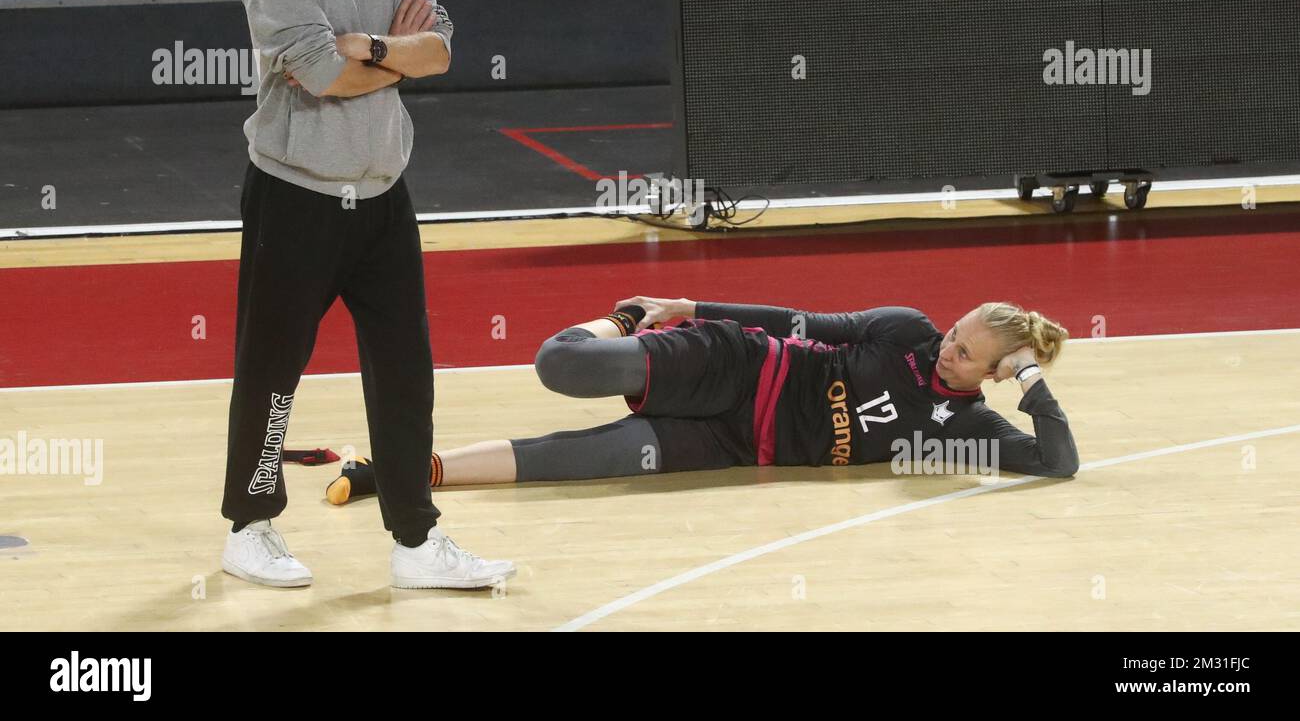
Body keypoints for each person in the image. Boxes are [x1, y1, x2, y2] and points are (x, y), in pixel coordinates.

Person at [221, 0, 513, 590]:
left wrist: (375, 46)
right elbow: (324, 75)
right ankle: (249, 525)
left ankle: (417, 541)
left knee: (405, 366)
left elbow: (441, 45)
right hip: (296, 197)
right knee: (273, 369)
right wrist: (389, 59)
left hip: (384, 194)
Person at [326, 296, 1079, 500]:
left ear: (990, 372)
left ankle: (407, 471)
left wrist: (1031, 379)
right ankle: (616, 321)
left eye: (965, 352)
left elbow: (1055, 463)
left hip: (733, 445)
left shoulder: (963, 425)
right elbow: (800, 321)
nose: (945, 346)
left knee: (589, 463)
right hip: (735, 366)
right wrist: (692, 303)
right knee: (561, 363)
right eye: (954, 332)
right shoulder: (905, 329)